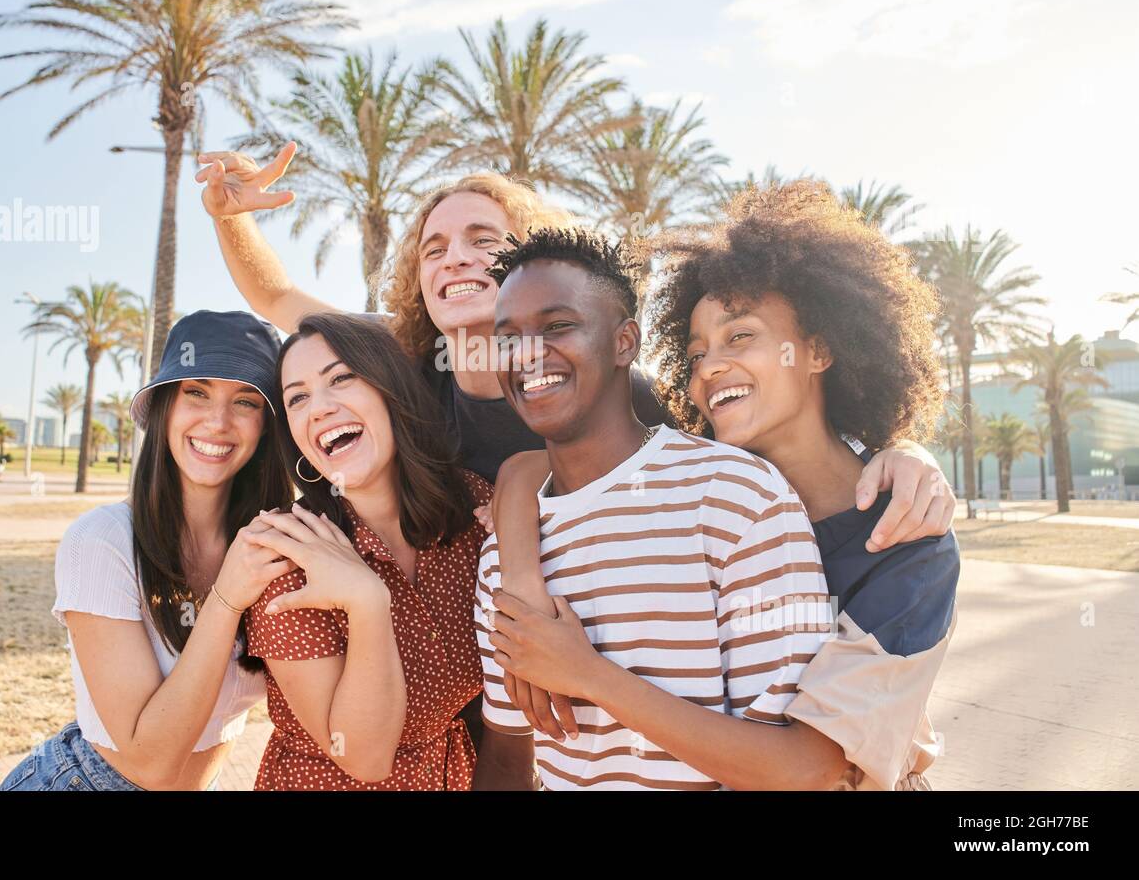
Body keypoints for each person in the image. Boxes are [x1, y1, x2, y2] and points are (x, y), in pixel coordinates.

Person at [195, 143, 957, 741]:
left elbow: (754, 426)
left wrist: (900, 450)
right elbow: (277, 297)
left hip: (606, 673)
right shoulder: (401, 366)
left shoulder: (617, 390)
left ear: (533, 264)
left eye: (483, 240)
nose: (455, 257)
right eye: (433, 247)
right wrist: (232, 218)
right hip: (471, 669)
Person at [490, 184, 961, 789]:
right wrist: (522, 580)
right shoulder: (706, 477)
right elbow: (541, 465)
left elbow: (814, 767)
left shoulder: (907, 542)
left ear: (819, 349)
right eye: (694, 355)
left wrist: (587, 674)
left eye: (740, 337)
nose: (709, 367)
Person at [472, 229, 835, 791]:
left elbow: (805, 769)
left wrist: (590, 676)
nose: (527, 354)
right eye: (508, 338)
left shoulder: (738, 496)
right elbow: (507, 762)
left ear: (624, 342)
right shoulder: (504, 557)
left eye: (558, 326)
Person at [0, 311, 295, 791]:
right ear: (164, 408)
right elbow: (149, 763)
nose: (218, 422)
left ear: (267, 426)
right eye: (196, 393)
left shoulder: (268, 542)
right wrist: (227, 598)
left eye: (245, 401)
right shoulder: (101, 540)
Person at [241, 312, 494, 790]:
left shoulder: (472, 505)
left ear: (391, 389)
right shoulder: (289, 556)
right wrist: (367, 602)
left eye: (341, 378)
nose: (319, 409)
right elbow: (364, 756)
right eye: (297, 398)